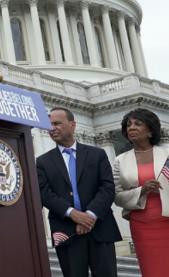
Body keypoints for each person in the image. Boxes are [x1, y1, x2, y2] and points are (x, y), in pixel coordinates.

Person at [113, 108, 169, 277]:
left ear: (150, 130)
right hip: (142, 226)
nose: (131, 127)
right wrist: (142, 190)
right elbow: (117, 197)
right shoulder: (120, 160)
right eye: (129, 125)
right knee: (153, 271)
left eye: (137, 124)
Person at [36, 108, 120, 277]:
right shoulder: (43, 161)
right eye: (49, 125)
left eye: (57, 123)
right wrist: (72, 214)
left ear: (72, 125)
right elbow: (44, 193)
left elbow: (107, 188)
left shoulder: (97, 154)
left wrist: (89, 216)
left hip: (99, 228)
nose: (52, 128)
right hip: (66, 230)